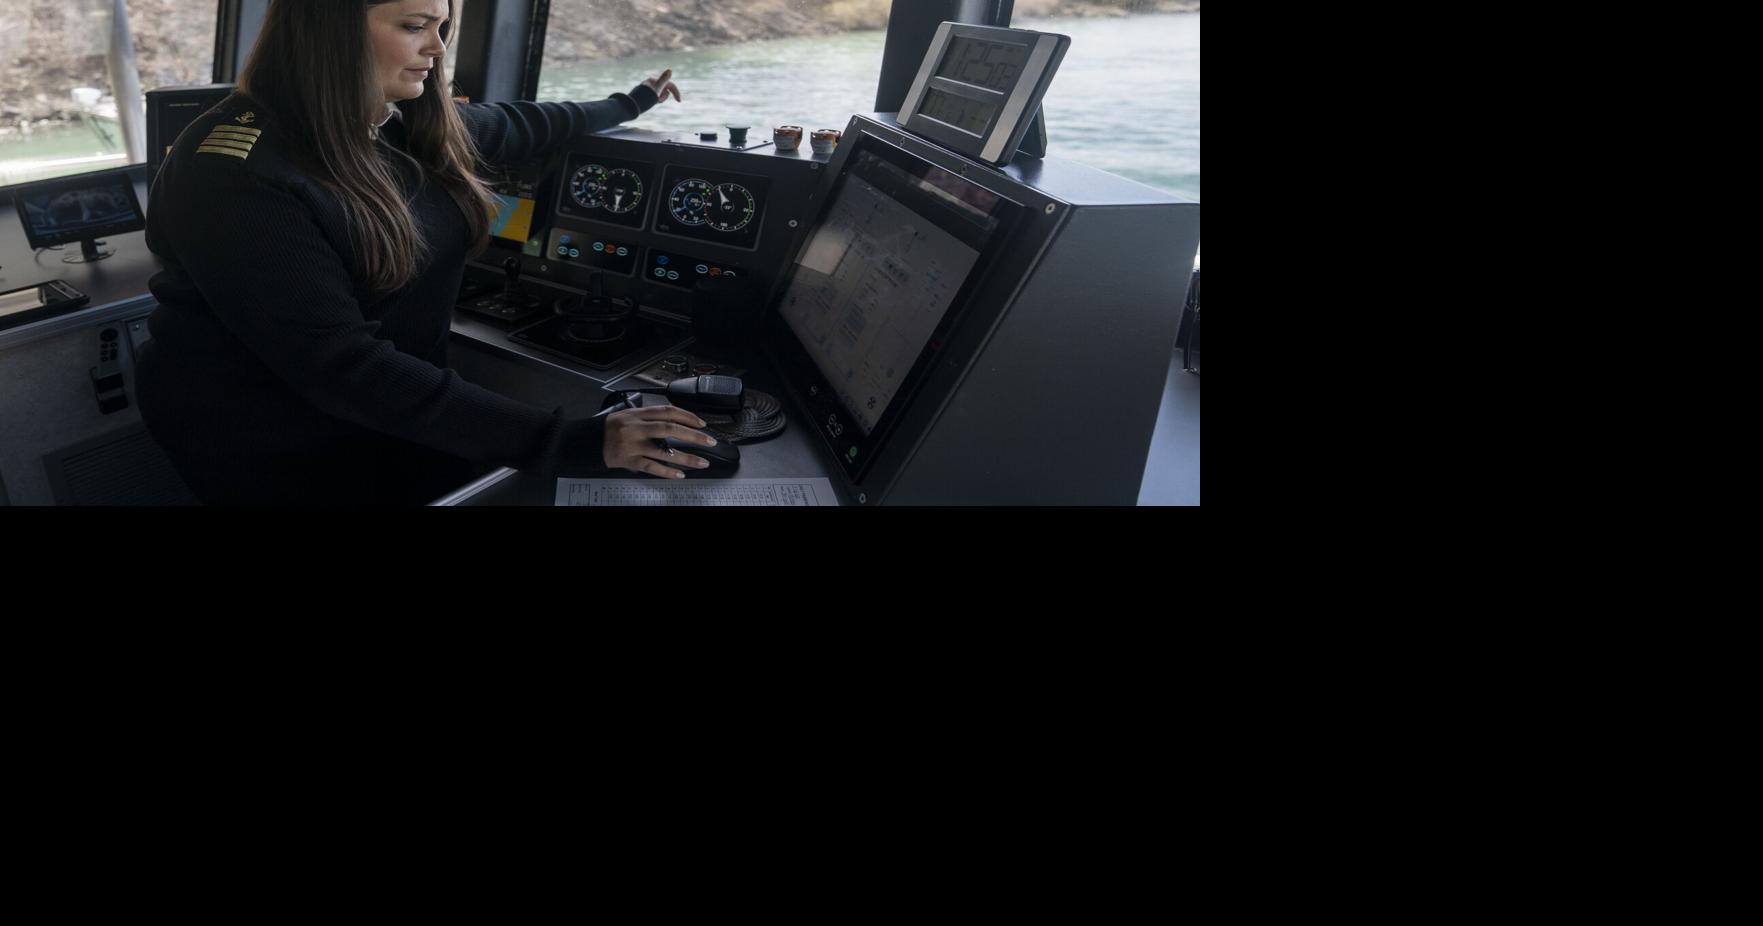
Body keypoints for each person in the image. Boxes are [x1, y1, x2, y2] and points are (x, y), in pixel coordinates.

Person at [136, 0, 717, 505]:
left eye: (443, 28)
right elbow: (342, 366)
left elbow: (524, 123)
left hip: (384, 410)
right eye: (415, 26)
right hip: (269, 436)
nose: (437, 49)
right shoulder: (234, 170)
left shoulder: (396, 122)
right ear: (329, 29)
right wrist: (573, 441)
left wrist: (631, 102)